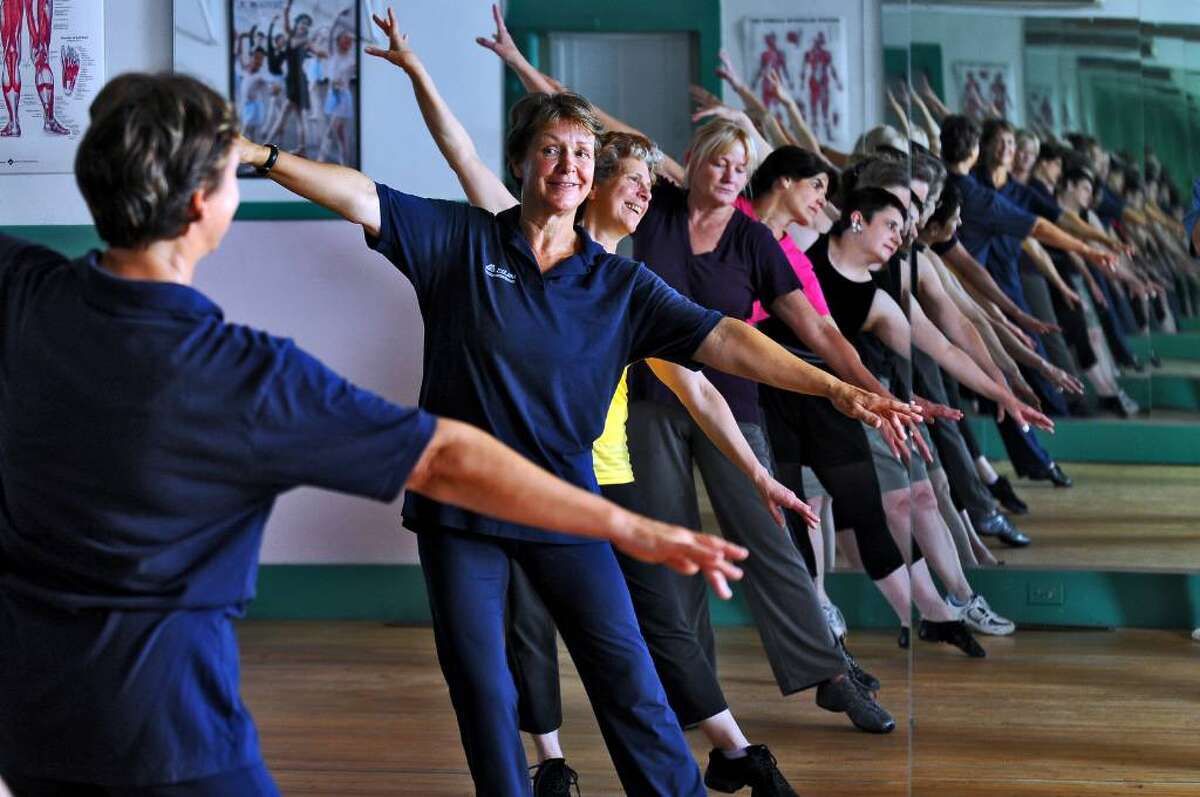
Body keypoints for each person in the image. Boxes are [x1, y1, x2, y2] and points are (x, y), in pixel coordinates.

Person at [0, 72, 755, 797]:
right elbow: (445, 457)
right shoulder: (254, 376)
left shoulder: (27, 291)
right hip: (174, 743)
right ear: (206, 203)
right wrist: (627, 525)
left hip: (25, 724)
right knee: (485, 684)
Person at [242, 9, 913, 793]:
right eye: (553, 150)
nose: (569, 165)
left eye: (584, 153)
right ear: (522, 161)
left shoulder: (620, 284)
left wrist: (834, 385)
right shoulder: (462, 240)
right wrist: (261, 155)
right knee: (483, 688)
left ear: (594, 174)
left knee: (626, 673)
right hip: (459, 507)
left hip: (566, 502)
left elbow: (725, 342)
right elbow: (363, 196)